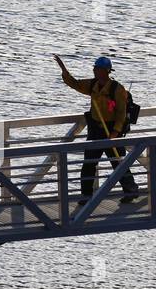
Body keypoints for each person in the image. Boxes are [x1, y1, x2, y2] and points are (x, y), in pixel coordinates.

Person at [55, 54, 139, 203]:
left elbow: (121, 112)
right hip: (95, 129)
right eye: (94, 68)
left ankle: (131, 191)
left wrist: (115, 132)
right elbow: (75, 84)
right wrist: (64, 70)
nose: (95, 71)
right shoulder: (92, 85)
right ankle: (86, 196)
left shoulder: (117, 89)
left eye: (98, 69)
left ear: (106, 71)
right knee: (89, 163)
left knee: (118, 161)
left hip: (112, 130)